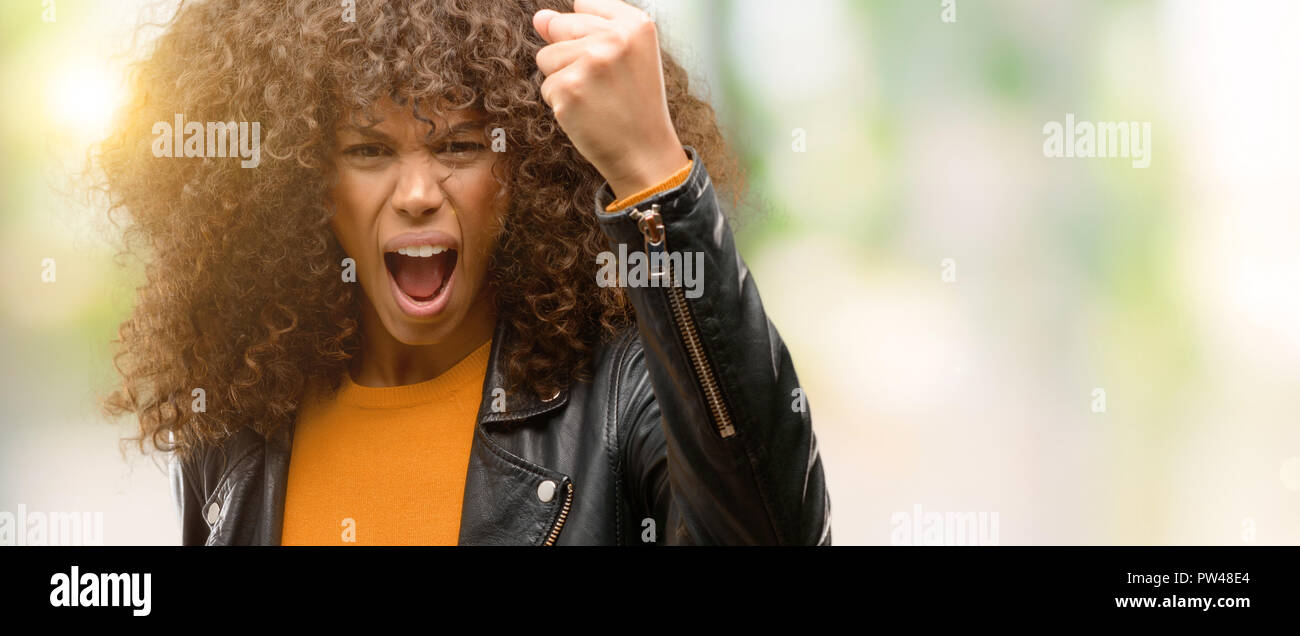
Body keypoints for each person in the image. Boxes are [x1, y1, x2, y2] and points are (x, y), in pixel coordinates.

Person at [98, 0, 830, 545]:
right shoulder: (242, 432)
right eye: (368, 151)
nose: (418, 195)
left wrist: (654, 175)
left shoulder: (624, 399)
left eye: (458, 146)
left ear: (527, 169)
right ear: (306, 185)